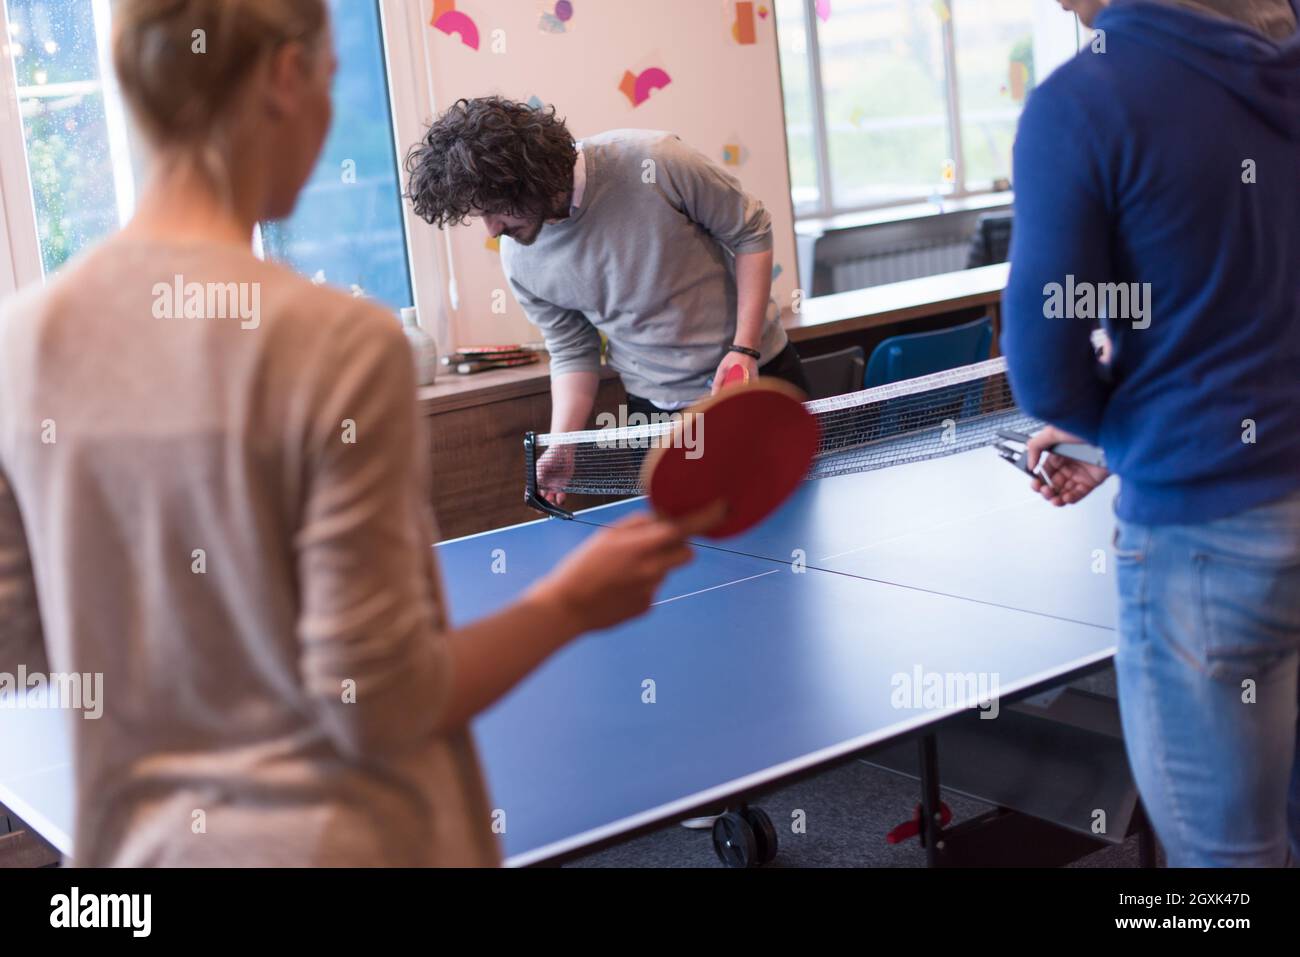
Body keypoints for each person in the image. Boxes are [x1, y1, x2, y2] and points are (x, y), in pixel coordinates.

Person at [0, 0, 709, 867]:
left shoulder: (17, 344)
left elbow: (15, 648)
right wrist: (570, 603)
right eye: (333, 81)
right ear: (287, 77)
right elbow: (379, 701)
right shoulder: (337, 344)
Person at [1003, 0, 1300, 865]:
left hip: (1206, 545)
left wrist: (1133, 435)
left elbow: (1045, 366)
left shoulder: (1084, 101)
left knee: (1225, 869)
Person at [404, 97, 809, 506]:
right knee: (689, 556)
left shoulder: (656, 161)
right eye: (480, 215)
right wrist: (564, 443)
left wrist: (744, 348)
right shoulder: (520, 257)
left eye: (496, 209)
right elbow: (572, 349)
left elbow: (750, 232)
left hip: (756, 377)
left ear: (532, 175)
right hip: (653, 414)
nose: (492, 229)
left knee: (797, 522)